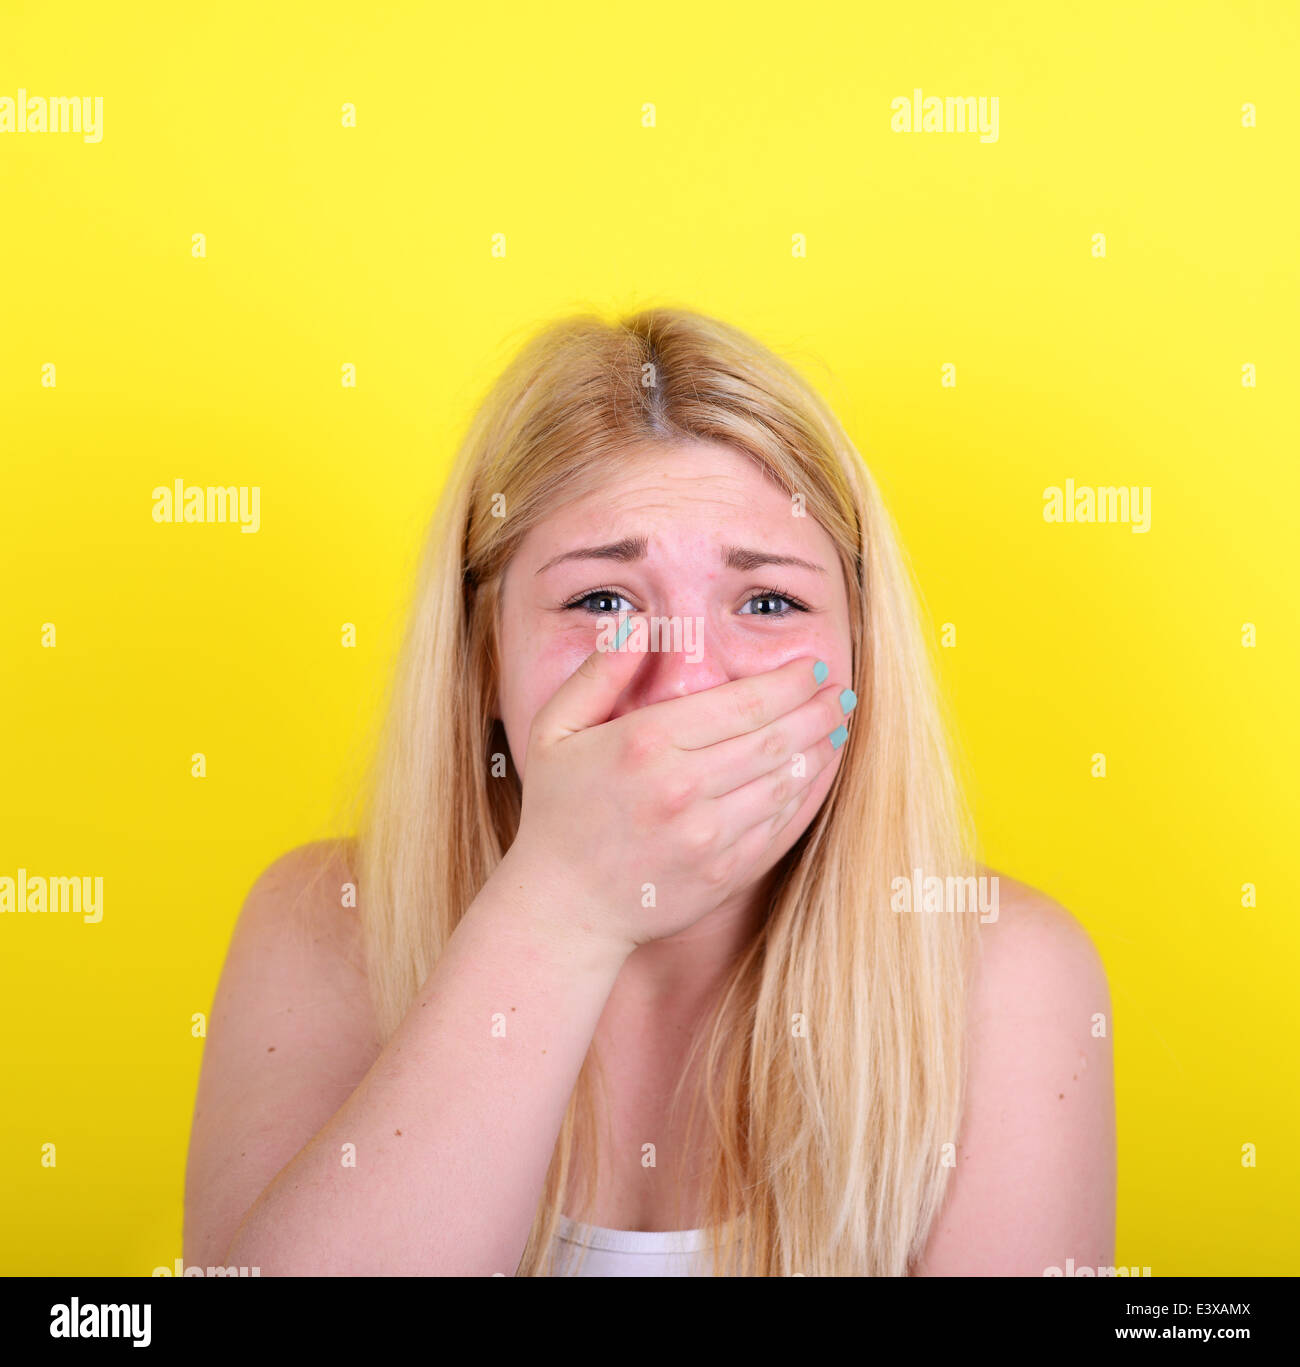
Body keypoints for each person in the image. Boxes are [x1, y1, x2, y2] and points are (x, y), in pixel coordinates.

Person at [183, 308, 1115, 1275]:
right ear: (481, 659)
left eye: (767, 601)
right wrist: (564, 905)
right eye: (602, 601)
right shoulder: (327, 931)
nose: (683, 681)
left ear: (862, 659)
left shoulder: (1003, 977)